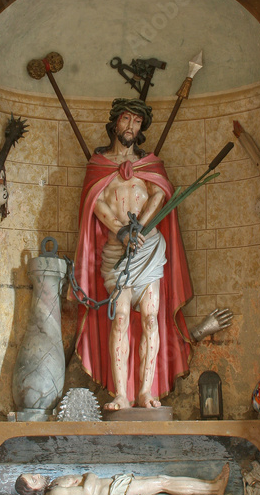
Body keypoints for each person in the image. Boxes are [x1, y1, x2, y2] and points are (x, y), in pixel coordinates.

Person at [73, 98, 192, 410]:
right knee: (121, 318)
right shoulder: (99, 165)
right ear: (115, 122)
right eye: (126, 120)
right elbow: (94, 202)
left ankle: (145, 393)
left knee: (151, 319)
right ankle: (120, 396)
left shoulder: (149, 165)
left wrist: (143, 225)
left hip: (149, 250)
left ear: (141, 129)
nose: (130, 127)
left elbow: (160, 193)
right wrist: (121, 229)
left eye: (137, 122)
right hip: (118, 254)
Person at [15, 463, 230, 495]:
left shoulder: (54, 486)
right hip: (116, 491)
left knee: (163, 479)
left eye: (33, 474)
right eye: (33, 480)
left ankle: (210, 484)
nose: (37, 476)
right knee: (163, 483)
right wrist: (89, 474)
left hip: (117, 484)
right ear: (33, 491)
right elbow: (86, 491)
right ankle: (214, 489)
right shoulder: (54, 494)